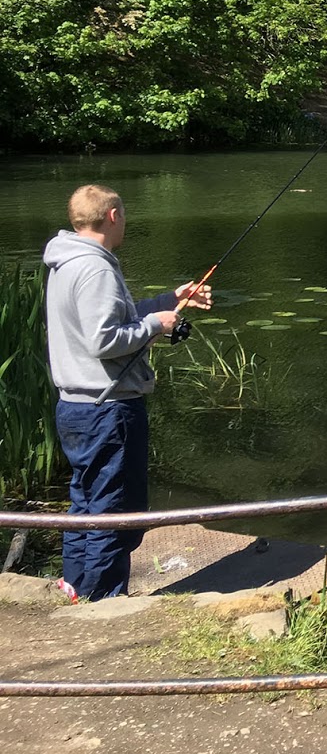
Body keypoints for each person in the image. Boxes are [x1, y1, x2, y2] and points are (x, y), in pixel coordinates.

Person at [43, 185, 211, 600]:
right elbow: (105, 340)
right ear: (113, 215)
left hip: (75, 405)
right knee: (114, 509)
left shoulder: (66, 261)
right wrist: (159, 326)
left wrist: (171, 299)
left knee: (86, 499)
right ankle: (103, 600)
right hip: (109, 409)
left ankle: (75, 585)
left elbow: (111, 317)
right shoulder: (97, 268)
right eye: (125, 215)